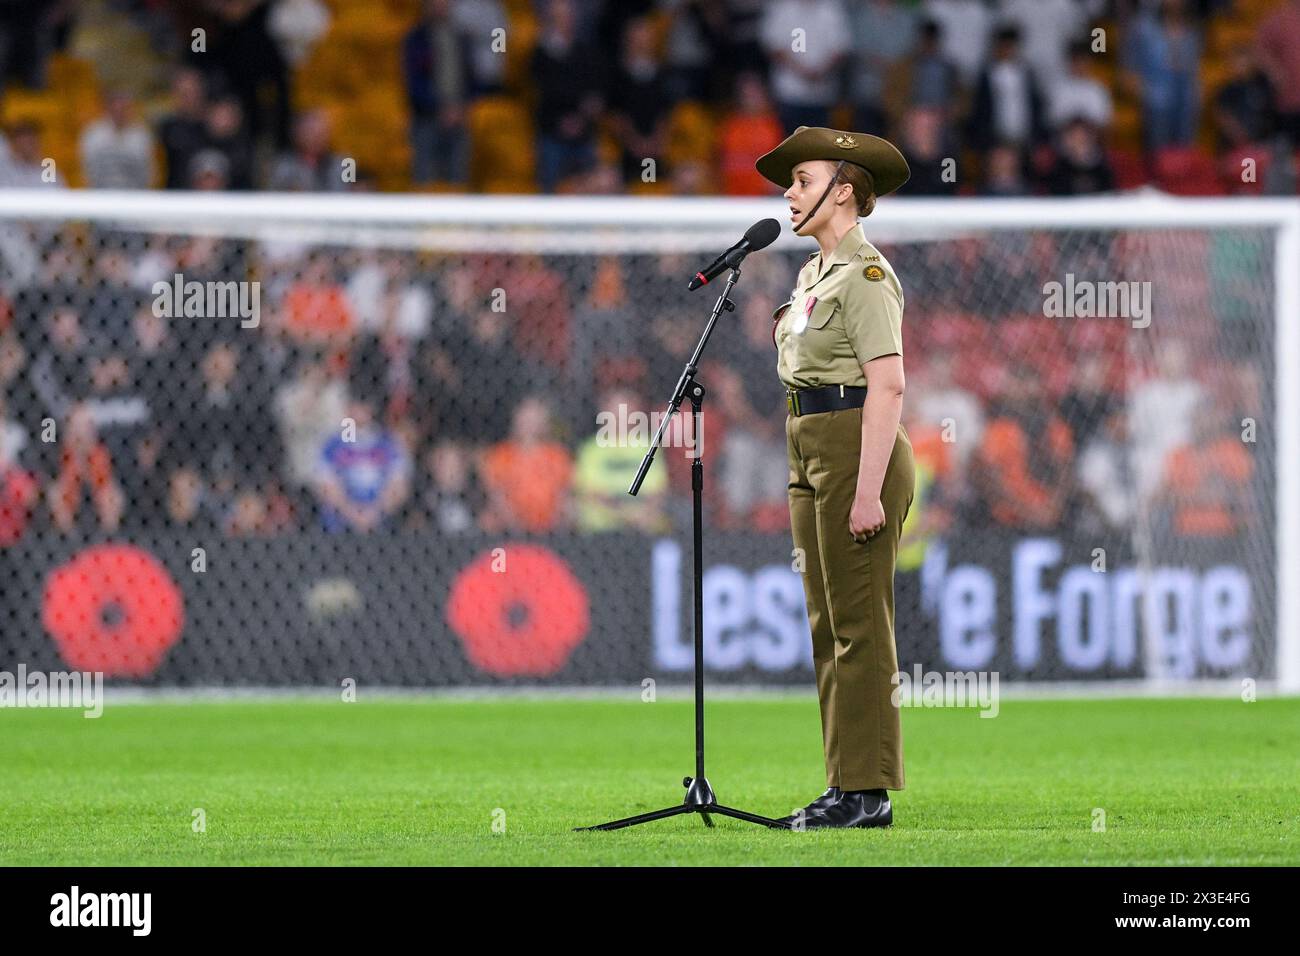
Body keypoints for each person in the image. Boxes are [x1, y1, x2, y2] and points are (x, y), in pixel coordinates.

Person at [754, 126, 915, 829]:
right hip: (808, 440)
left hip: (855, 443)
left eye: (801, 180)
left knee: (859, 626)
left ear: (842, 191)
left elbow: (889, 387)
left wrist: (869, 490)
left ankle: (867, 792)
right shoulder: (813, 276)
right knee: (829, 625)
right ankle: (843, 785)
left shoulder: (867, 276)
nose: (789, 194)